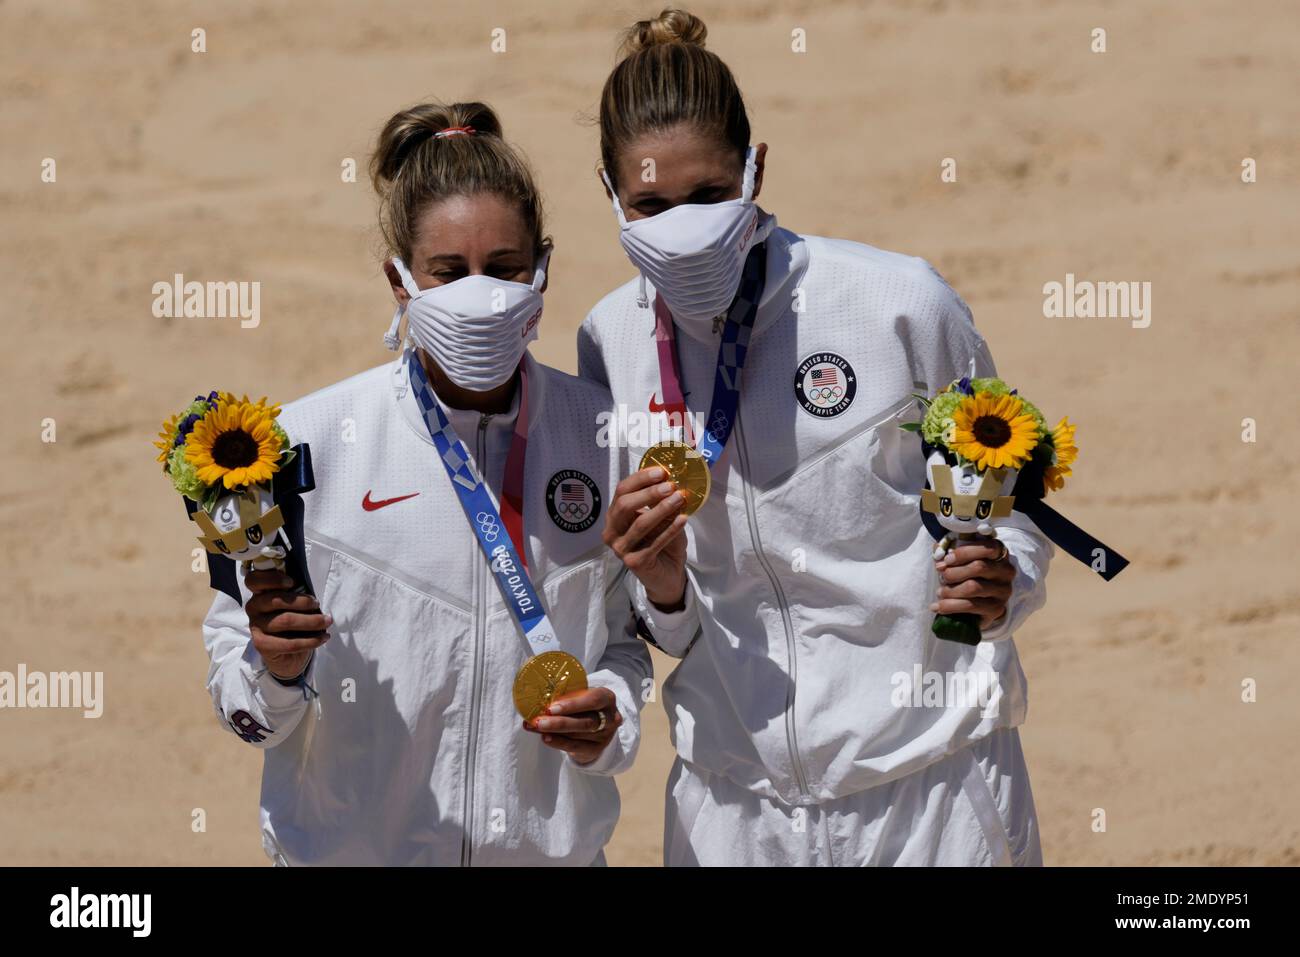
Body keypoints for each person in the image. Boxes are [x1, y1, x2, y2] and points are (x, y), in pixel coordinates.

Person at [578, 9, 1053, 866]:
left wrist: (1004, 582)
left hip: (931, 786)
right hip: (732, 804)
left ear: (757, 168)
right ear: (608, 194)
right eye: (650, 205)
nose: (681, 226)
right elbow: (658, 623)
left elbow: (1011, 500)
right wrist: (663, 585)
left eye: (709, 195)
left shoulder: (898, 302)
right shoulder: (608, 343)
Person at [200, 101, 650, 866]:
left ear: (543, 269)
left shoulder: (604, 435)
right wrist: (272, 672)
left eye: (504, 269)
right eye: (449, 272)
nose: (480, 295)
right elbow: (242, 699)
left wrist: (613, 721)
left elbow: (624, 643)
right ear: (400, 280)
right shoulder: (302, 447)